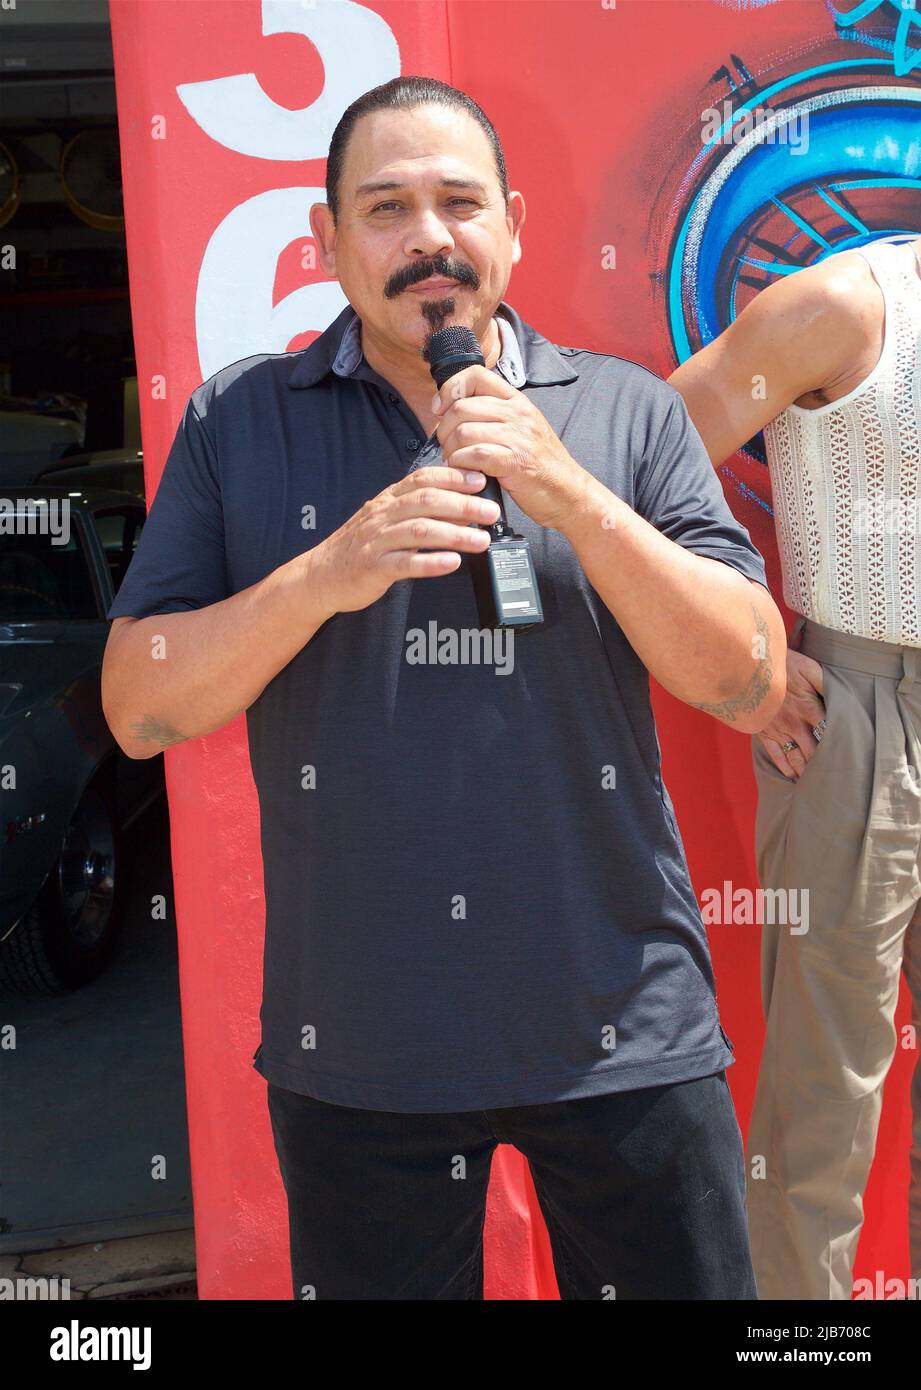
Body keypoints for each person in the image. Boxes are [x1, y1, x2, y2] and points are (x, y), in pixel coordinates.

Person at [101, 76, 784, 1300]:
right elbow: (139, 706)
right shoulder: (240, 420)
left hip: (627, 1027)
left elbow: (744, 676)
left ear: (513, 224)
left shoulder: (624, 409)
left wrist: (562, 484)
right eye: (386, 207)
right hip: (363, 1046)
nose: (429, 235)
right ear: (324, 241)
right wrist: (327, 570)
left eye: (459, 202)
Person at [669, 233, 921, 1300]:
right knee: (826, 1095)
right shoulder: (842, 306)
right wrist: (745, 658)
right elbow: (630, 457)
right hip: (865, 702)